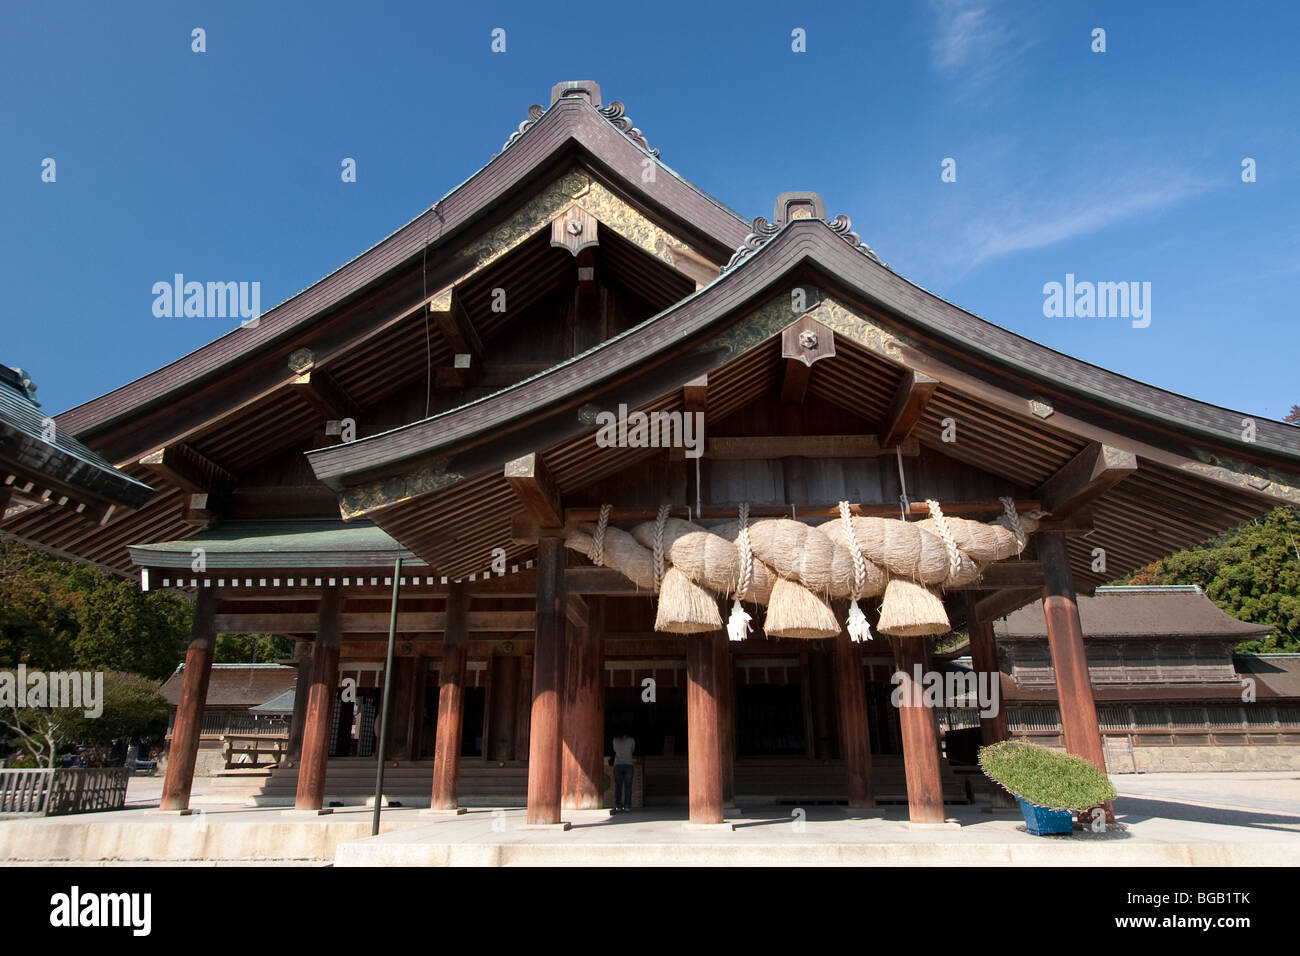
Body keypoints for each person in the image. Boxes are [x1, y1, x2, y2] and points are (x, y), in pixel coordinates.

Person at [611, 730, 635, 813]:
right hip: (628, 764)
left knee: (618, 786)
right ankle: (627, 805)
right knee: (628, 787)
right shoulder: (631, 740)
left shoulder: (615, 740)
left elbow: (614, 750)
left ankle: (618, 805)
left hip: (617, 764)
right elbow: (632, 750)